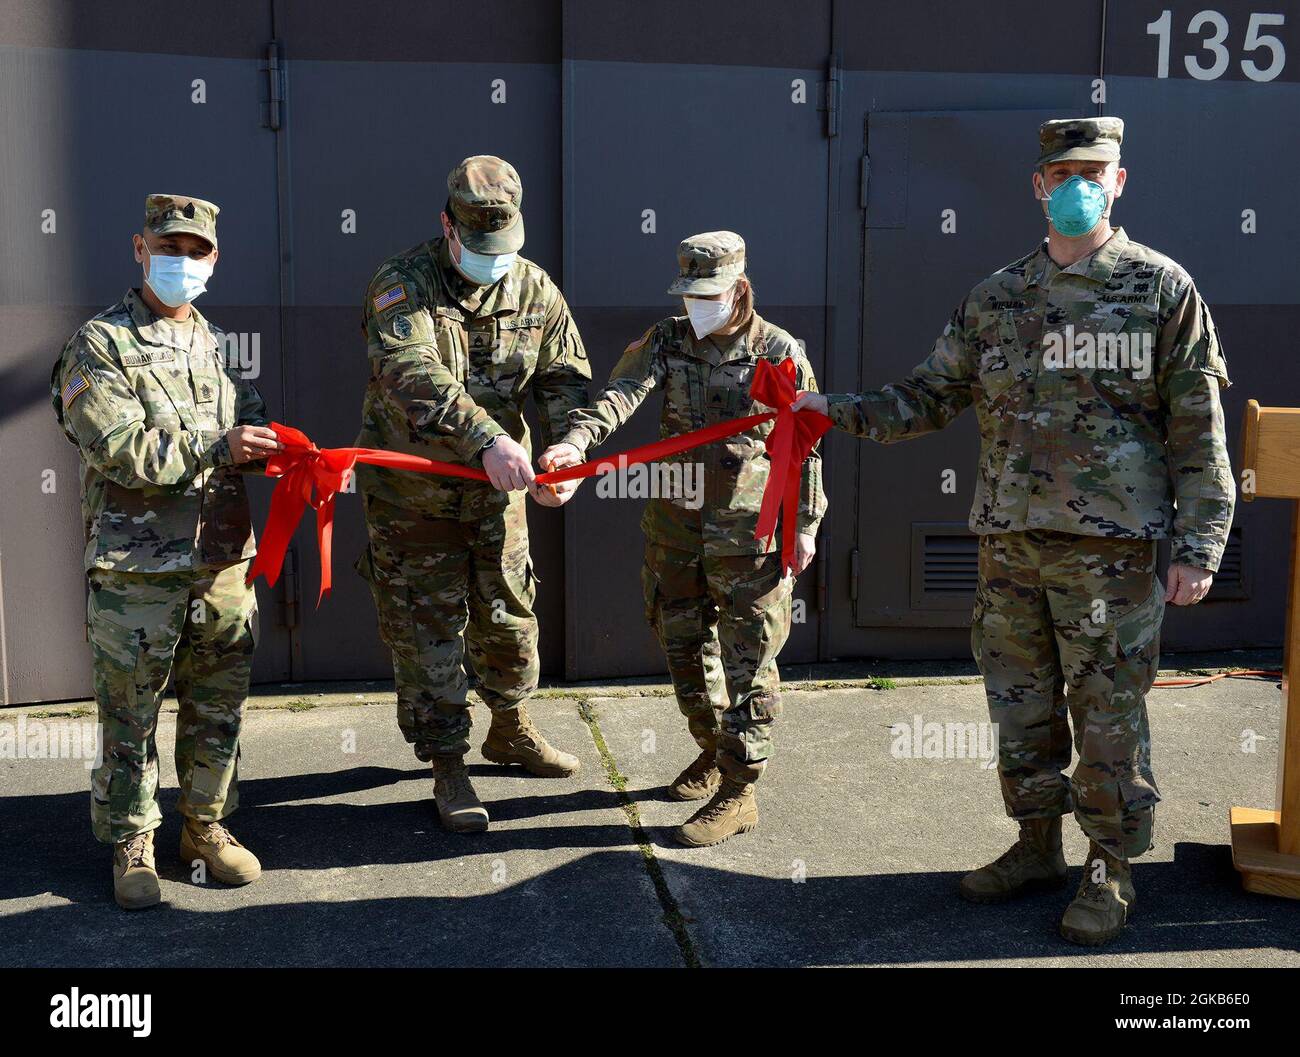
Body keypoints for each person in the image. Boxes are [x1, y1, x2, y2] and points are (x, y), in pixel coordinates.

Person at [792, 118, 1234, 944]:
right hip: (1008, 546)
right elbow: (925, 397)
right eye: (1062, 171)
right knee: (1020, 708)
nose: (1077, 184)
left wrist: (1201, 546)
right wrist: (833, 411)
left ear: (1120, 180)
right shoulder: (996, 296)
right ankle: (1036, 845)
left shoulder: (1159, 288)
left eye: (1092, 170)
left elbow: (1197, 431)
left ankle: (1111, 868)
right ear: (1037, 184)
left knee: (1108, 715)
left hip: (1113, 556)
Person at [542, 231, 827, 847]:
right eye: (689, 292)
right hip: (674, 527)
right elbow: (620, 395)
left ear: (739, 287)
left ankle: (740, 787)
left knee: (749, 659)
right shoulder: (666, 340)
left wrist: (804, 526)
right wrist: (575, 444)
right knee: (681, 647)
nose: (698, 304)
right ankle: (714, 747)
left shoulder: (778, 352)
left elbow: (805, 447)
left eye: (710, 293)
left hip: (747, 530)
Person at [51, 194, 277, 909]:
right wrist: (222, 446)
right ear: (140, 248)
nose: (183, 262)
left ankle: (204, 828)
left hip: (221, 564)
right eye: (169, 247)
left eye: (197, 250)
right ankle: (132, 841)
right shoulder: (100, 344)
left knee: (218, 706)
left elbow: (249, 423)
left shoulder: (212, 343)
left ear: (215, 259)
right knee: (130, 715)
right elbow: (118, 449)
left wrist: (283, 451)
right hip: (135, 572)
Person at [355, 156, 592, 833]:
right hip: (413, 499)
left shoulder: (536, 288)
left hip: (500, 493)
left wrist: (567, 447)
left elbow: (563, 377)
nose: (493, 261)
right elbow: (409, 370)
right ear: (446, 225)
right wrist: (487, 438)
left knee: (511, 614)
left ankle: (510, 727)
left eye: (505, 247)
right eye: (478, 246)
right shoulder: (401, 284)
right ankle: (447, 761)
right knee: (427, 631)